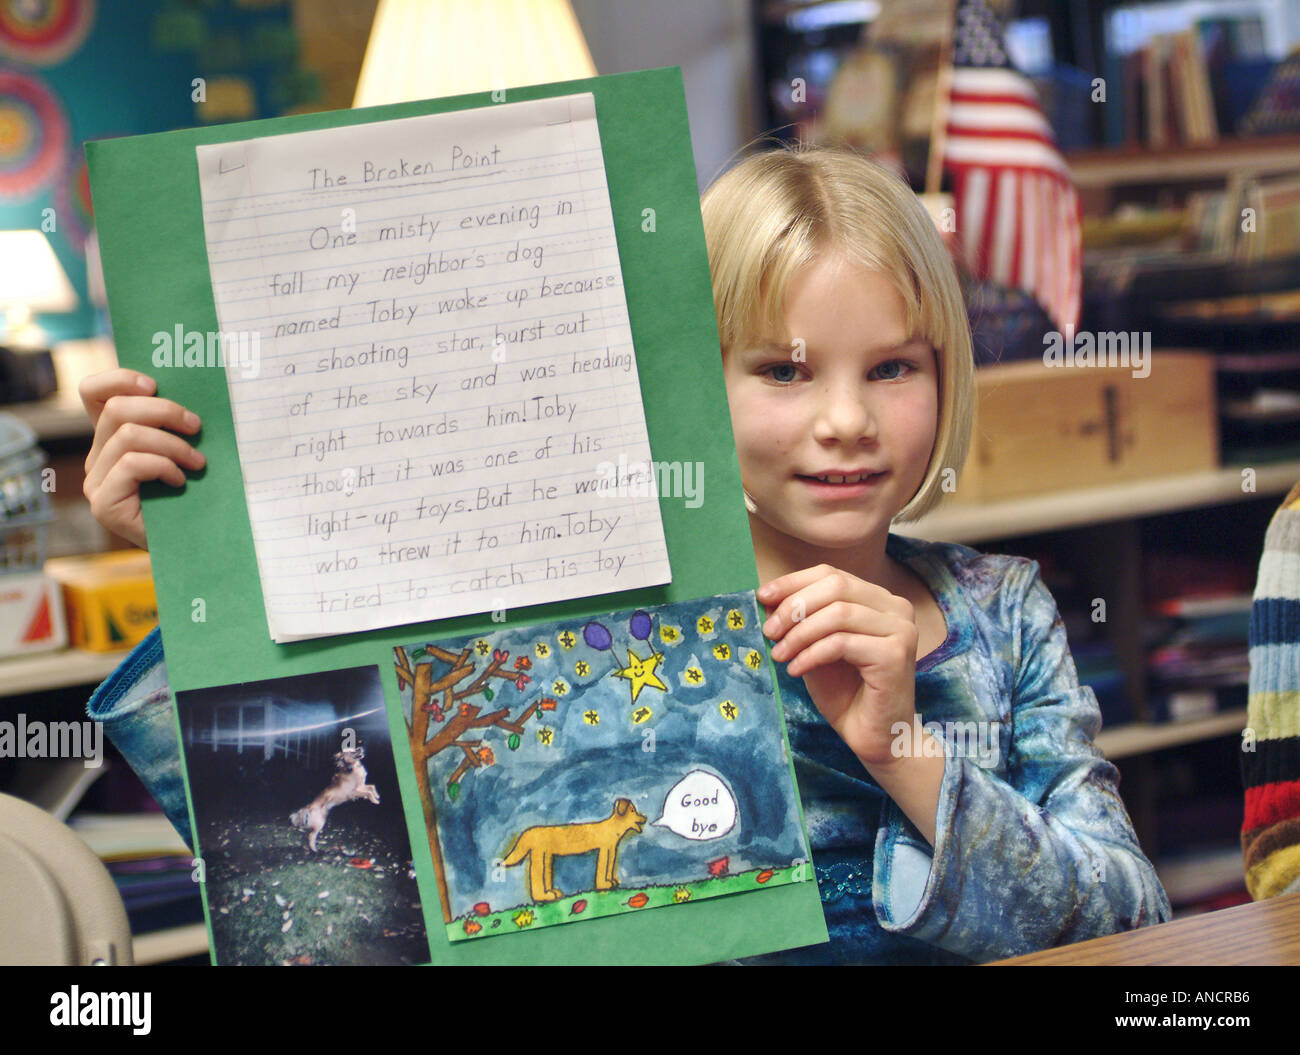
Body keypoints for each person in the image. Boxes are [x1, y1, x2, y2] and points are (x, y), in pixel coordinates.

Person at [82, 144, 1169, 965]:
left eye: (892, 367)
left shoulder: (1002, 612)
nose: (847, 419)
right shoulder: (599, 621)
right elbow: (323, 885)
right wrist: (199, 564)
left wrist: (903, 748)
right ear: (691, 376)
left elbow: (1134, 921)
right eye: (784, 372)